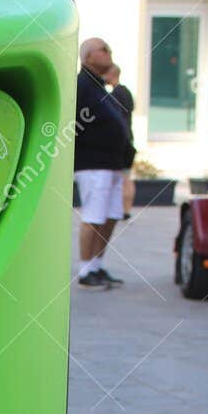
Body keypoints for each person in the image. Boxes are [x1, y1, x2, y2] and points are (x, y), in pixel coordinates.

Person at [73, 36, 131, 289]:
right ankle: (85, 271)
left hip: (112, 163)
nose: (109, 53)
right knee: (94, 217)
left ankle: (97, 266)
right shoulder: (82, 86)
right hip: (93, 164)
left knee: (110, 216)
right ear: (88, 57)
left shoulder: (99, 87)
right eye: (103, 49)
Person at [106, 62, 136, 219]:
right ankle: (126, 209)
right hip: (129, 138)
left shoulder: (115, 95)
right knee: (126, 177)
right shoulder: (127, 92)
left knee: (123, 178)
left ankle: (123, 210)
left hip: (121, 141)